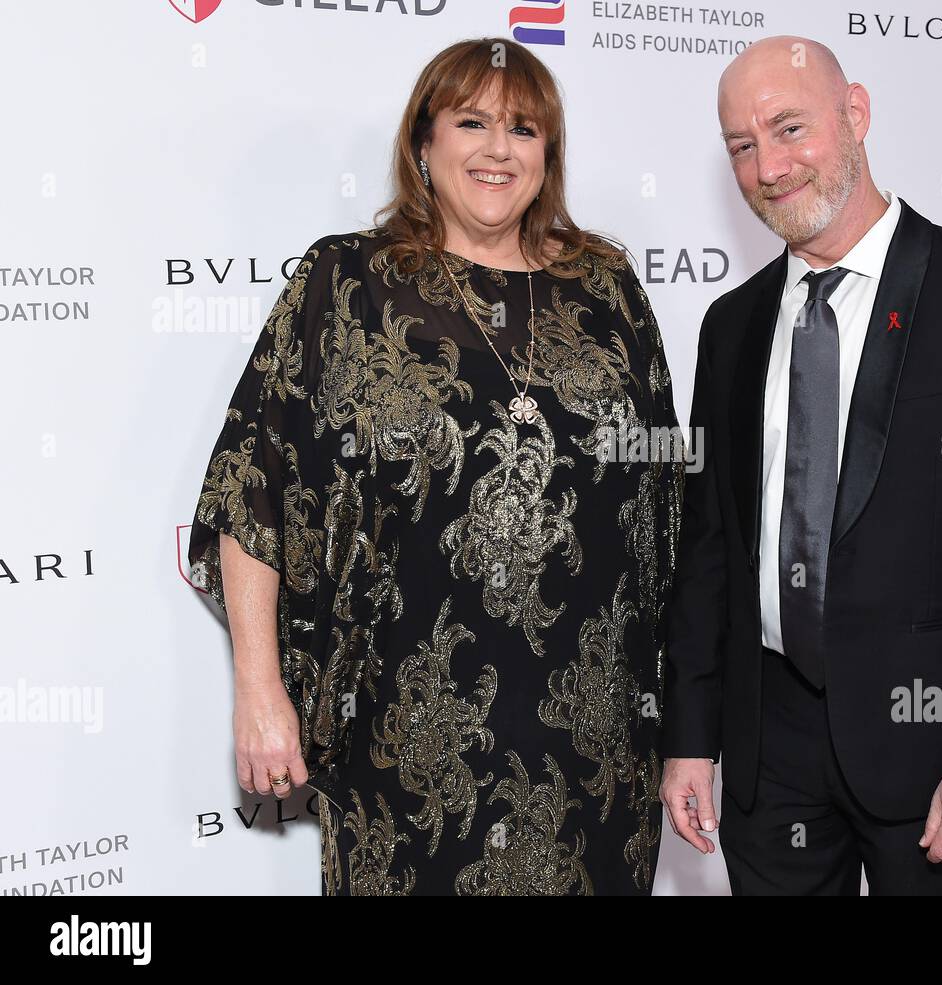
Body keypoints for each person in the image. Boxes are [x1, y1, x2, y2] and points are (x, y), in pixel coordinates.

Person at [187, 37, 682, 896]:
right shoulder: (348, 282)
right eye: (473, 122)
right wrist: (259, 691)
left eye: (524, 129)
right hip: (409, 739)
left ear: (548, 156)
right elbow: (253, 489)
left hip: (597, 745)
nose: (499, 148)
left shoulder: (609, 291)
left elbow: (668, 513)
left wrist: (688, 727)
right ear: (424, 143)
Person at [659, 36, 942, 895]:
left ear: (855, 114)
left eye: (789, 129)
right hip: (764, 750)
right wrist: (691, 734)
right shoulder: (730, 325)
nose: (770, 167)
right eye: (743, 146)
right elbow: (709, 548)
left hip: (932, 752)